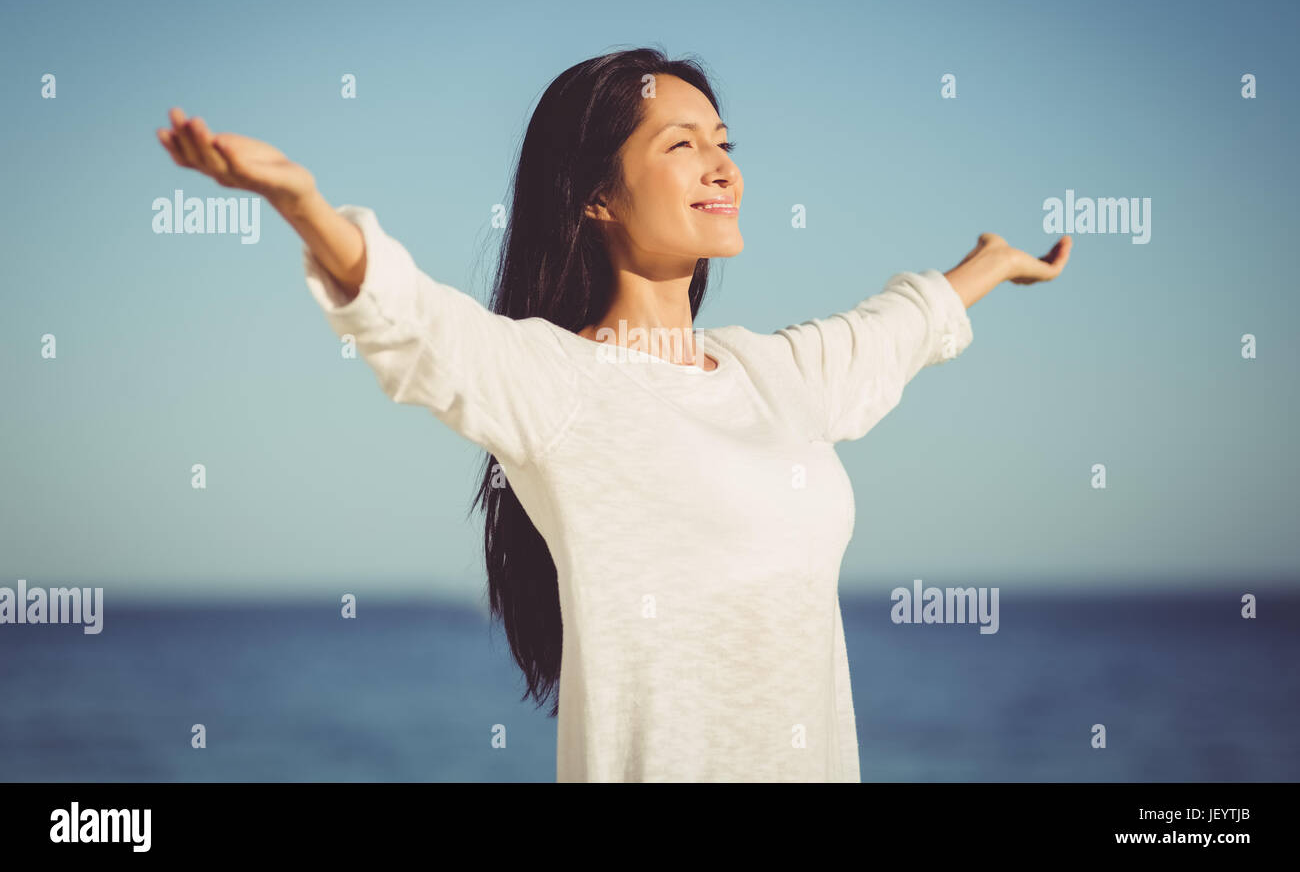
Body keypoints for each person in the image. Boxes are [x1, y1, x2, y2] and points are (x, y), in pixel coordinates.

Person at [157, 48, 1070, 782]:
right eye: (681, 146)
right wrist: (305, 205)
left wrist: (991, 263)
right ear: (596, 195)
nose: (722, 167)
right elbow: (420, 326)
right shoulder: (560, 385)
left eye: (725, 141)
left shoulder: (775, 374)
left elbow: (896, 328)